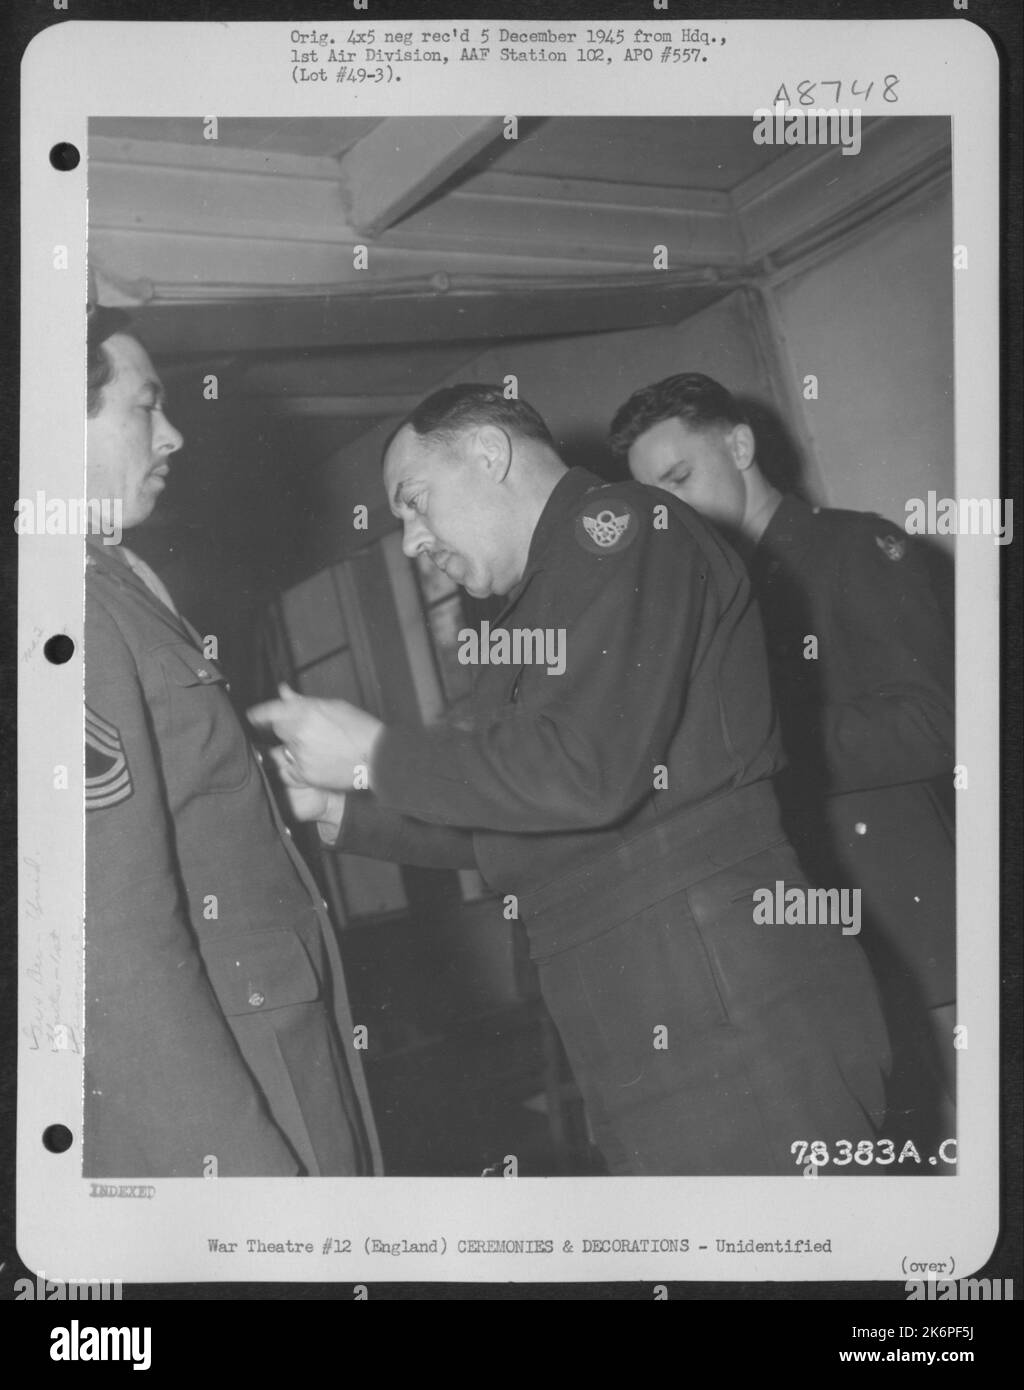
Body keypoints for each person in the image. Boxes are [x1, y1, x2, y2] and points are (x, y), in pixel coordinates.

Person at [249, 383, 892, 1176]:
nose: (414, 541)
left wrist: (374, 754)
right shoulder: (533, 604)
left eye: (416, 503)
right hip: (643, 992)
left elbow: (585, 776)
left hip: (717, 981)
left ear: (489, 453)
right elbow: (521, 821)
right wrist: (343, 808)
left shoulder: (625, 531)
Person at [609, 372, 956, 1148]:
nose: (677, 512)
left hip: (919, 914)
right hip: (825, 929)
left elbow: (941, 721)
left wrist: (767, 744)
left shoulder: (854, 548)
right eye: (659, 501)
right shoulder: (726, 594)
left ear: (740, 446)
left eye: (681, 478)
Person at [83, 305, 380, 1177]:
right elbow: (111, 940)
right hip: (237, 1086)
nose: (171, 435)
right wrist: (236, 1175)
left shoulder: (118, 583)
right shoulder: (71, 609)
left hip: (271, 1035)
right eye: (145, 406)